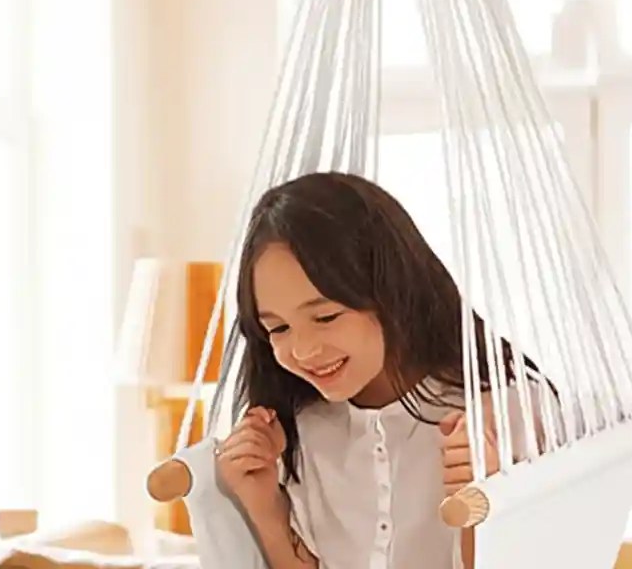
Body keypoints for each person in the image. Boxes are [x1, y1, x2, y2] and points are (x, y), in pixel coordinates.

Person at [214, 171, 555, 569]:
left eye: (325, 317)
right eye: (279, 327)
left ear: (392, 292)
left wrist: (484, 499)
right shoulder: (300, 428)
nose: (303, 350)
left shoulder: (501, 415)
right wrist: (264, 507)